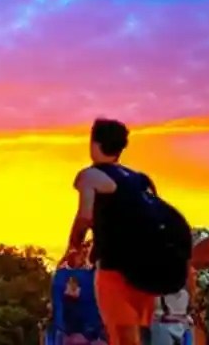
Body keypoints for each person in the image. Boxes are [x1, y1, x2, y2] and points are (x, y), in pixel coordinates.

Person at [64, 119, 157, 345]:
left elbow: (85, 216)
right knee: (139, 335)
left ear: (94, 143)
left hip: (115, 266)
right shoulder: (141, 180)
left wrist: (74, 247)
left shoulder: (90, 176)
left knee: (120, 334)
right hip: (147, 267)